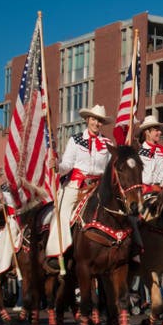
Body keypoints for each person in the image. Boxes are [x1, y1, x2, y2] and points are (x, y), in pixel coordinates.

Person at [45, 105, 113, 271]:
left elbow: (110, 167)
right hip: (77, 185)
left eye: (100, 121)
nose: (97, 123)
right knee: (62, 212)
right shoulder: (75, 140)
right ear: (87, 120)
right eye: (94, 119)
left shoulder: (108, 143)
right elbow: (68, 164)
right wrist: (57, 166)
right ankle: (57, 253)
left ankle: (130, 250)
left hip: (99, 187)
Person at [138, 115, 163, 193]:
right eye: (156, 130)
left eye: (160, 130)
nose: (160, 132)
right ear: (147, 132)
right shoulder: (138, 152)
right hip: (142, 193)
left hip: (162, 193)